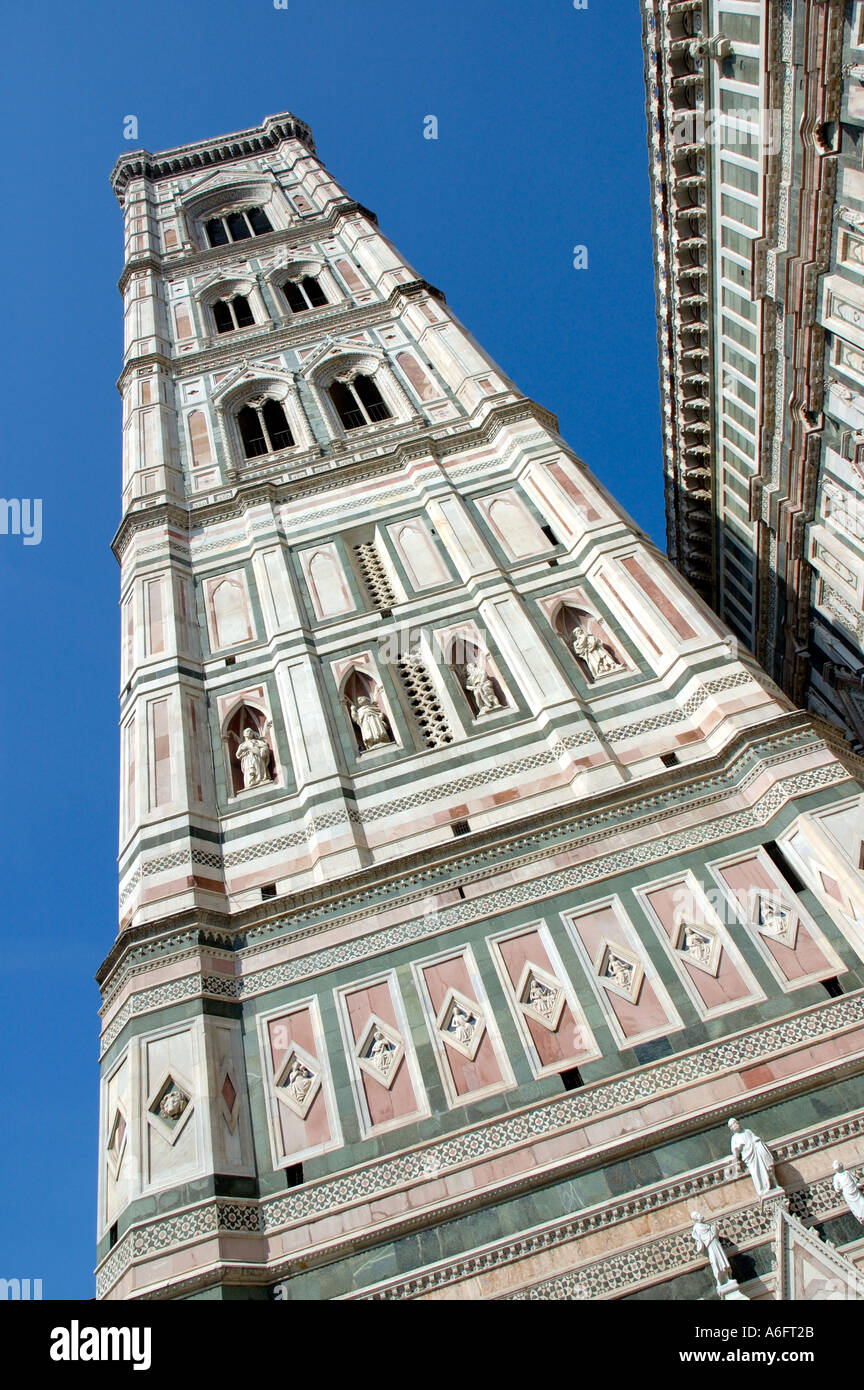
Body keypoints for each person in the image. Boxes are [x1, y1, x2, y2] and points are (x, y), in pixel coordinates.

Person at [729, 1117, 776, 1197]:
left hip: (757, 1154)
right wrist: (738, 1148)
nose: (735, 1125)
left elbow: (754, 1138)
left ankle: (771, 1185)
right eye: (733, 1125)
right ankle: (762, 1189)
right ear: (731, 1128)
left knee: (765, 1168)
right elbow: (735, 1154)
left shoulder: (747, 1131)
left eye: (735, 1123)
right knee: (755, 1172)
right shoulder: (734, 1138)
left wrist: (756, 1140)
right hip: (749, 1157)